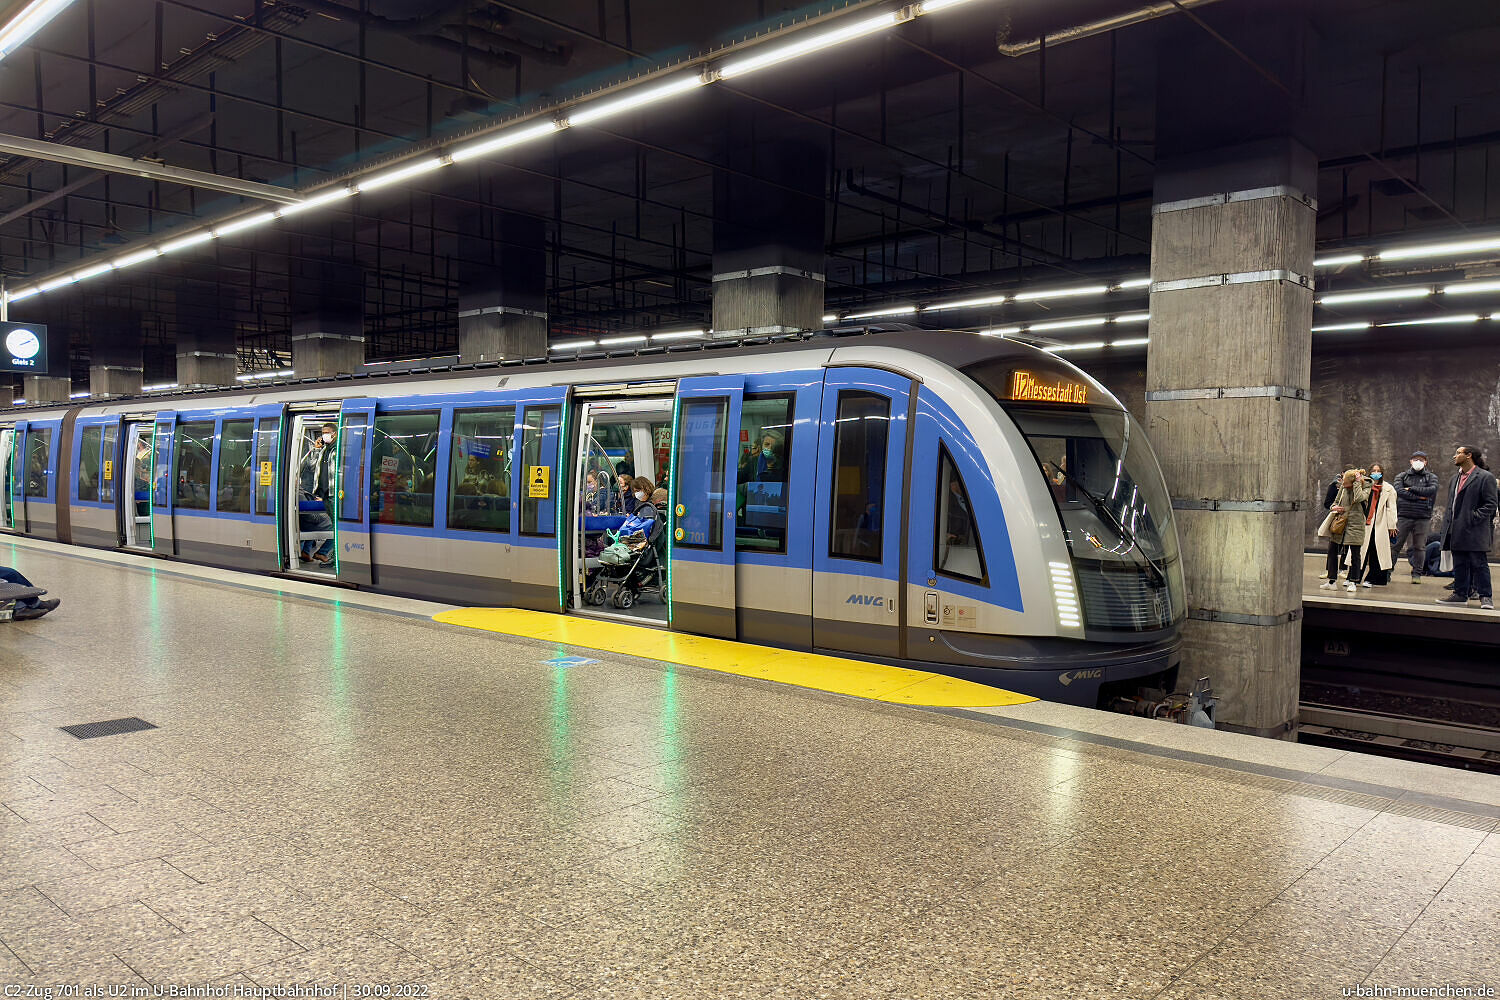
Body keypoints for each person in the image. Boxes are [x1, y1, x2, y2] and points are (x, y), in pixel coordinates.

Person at [1436, 445, 1497, 610]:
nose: (1454, 456)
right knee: (1460, 563)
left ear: (1469, 455)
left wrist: (1473, 517)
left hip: (1474, 529)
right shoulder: (1454, 479)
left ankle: (1486, 597)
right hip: (1455, 529)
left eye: (1458, 453)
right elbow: (1451, 505)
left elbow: (1491, 504)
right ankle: (1460, 594)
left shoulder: (1485, 477)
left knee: (1479, 563)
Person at [1319, 469, 1370, 593]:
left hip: (1356, 523)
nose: (1344, 485)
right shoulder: (1343, 485)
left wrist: (1357, 483)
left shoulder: (1366, 484)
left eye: (1347, 484)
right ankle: (1331, 581)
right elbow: (1336, 501)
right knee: (1332, 550)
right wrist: (1334, 507)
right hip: (1340, 521)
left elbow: (1359, 498)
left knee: (1355, 553)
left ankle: (1353, 581)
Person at [1392, 450, 1439, 584]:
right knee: (1395, 545)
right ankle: (1387, 571)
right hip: (1403, 516)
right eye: (1415, 459)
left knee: (1420, 547)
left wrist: (1411, 489)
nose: (1418, 462)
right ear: (1411, 461)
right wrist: (1420, 497)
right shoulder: (1402, 476)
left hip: (1422, 517)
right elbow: (1399, 491)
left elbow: (1431, 490)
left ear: (1426, 462)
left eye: (1421, 460)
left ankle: (1417, 574)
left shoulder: (1431, 477)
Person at [298, 424, 337, 564]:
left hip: (333, 493)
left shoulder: (338, 449)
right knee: (334, 525)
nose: (324, 435)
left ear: (334, 434)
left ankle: (324, 553)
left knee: (336, 525)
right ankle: (321, 553)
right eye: (322, 432)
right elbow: (312, 466)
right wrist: (316, 449)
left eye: (327, 432)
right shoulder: (323, 450)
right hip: (323, 494)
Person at [1358, 463, 1399, 587]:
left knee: (1377, 552)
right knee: (1361, 551)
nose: (1376, 473)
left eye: (1378, 471)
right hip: (1365, 523)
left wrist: (1392, 525)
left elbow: (1392, 508)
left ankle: (1373, 578)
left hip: (1380, 524)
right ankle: (1355, 577)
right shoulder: (1363, 486)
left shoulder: (1388, 488)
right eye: (1374, 471)